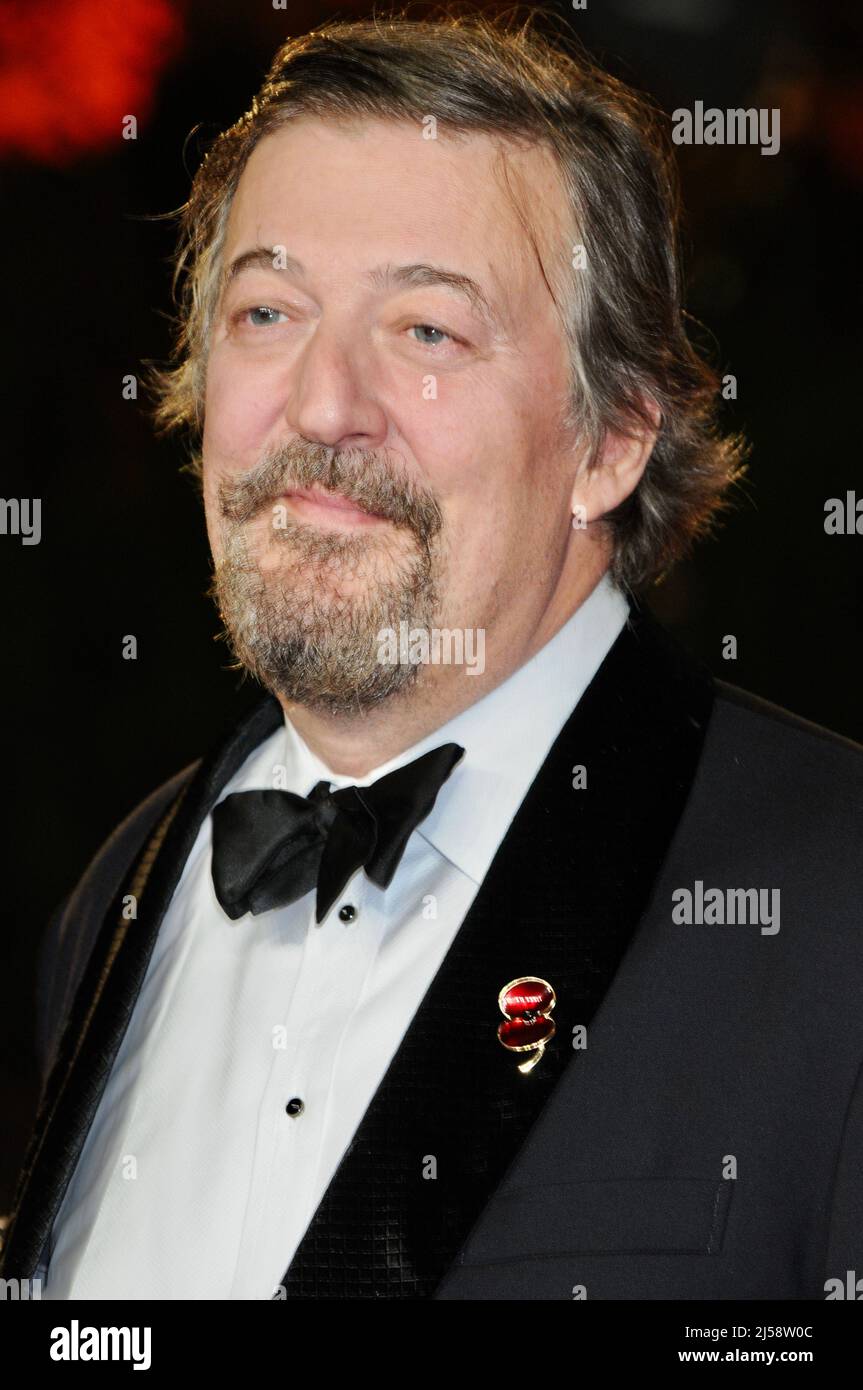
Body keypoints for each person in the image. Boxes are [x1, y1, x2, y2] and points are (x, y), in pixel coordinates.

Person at [2, 10, 861, 1302]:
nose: (321, 403)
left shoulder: (836, 899)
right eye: (268, 309)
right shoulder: (120, 893)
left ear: (613, 439)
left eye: (426, 331)